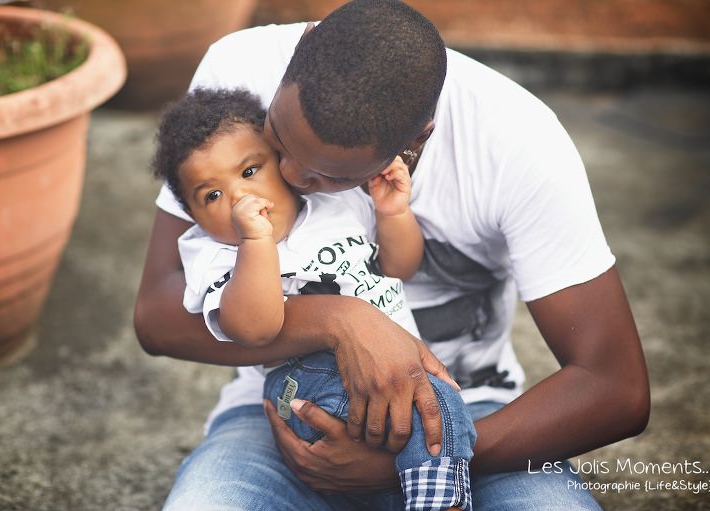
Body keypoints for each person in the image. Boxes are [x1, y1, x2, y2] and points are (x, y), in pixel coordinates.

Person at [134, 1, 650, 509]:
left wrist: (424, 458)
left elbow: (615, 389)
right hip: (286, 411)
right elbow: (158, 317)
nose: (288, 178)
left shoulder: (522, 146)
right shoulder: (239, 68)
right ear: (304, 43)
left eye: (329, 178)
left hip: (468, 407)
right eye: (276, 140)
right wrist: (341, 321)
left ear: (415, 139)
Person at [152, 87, 476, 510]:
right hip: (305, 385)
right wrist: (256, 242)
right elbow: (254, 328)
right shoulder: (215, 252)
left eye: (250, 171)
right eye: (211, 195)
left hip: (389, 374)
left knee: (433, 411)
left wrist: (393, 212)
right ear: (194, 219)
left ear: (284, 163)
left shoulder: (335, 204)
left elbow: (400, 268)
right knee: (436, 407)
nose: (238, 197)